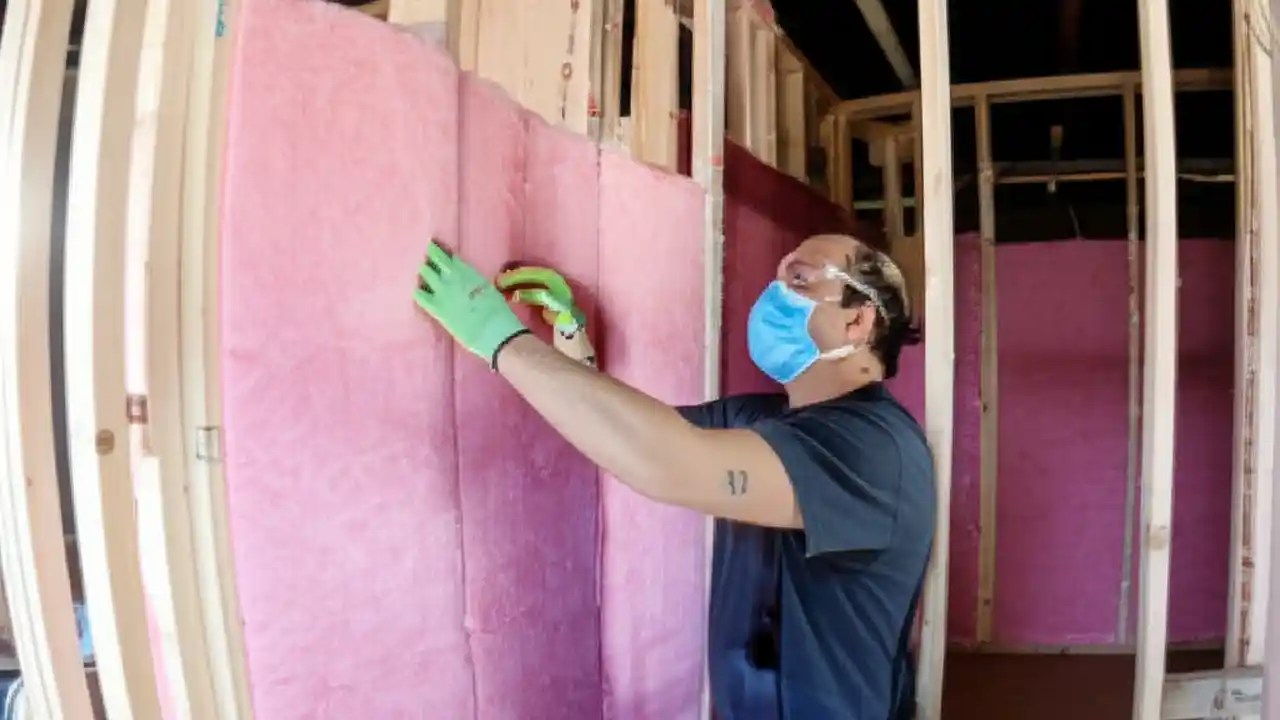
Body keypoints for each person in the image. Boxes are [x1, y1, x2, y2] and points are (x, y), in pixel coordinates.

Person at [413, 232, 935, 719]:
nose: (776, 294)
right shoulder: (765, 420)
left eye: (799, 280)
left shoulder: (872, 450)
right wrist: (569, 337)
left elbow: (665, 460)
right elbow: (631, 439)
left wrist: (499, 337)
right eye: (777, 280)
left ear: (858, 323)